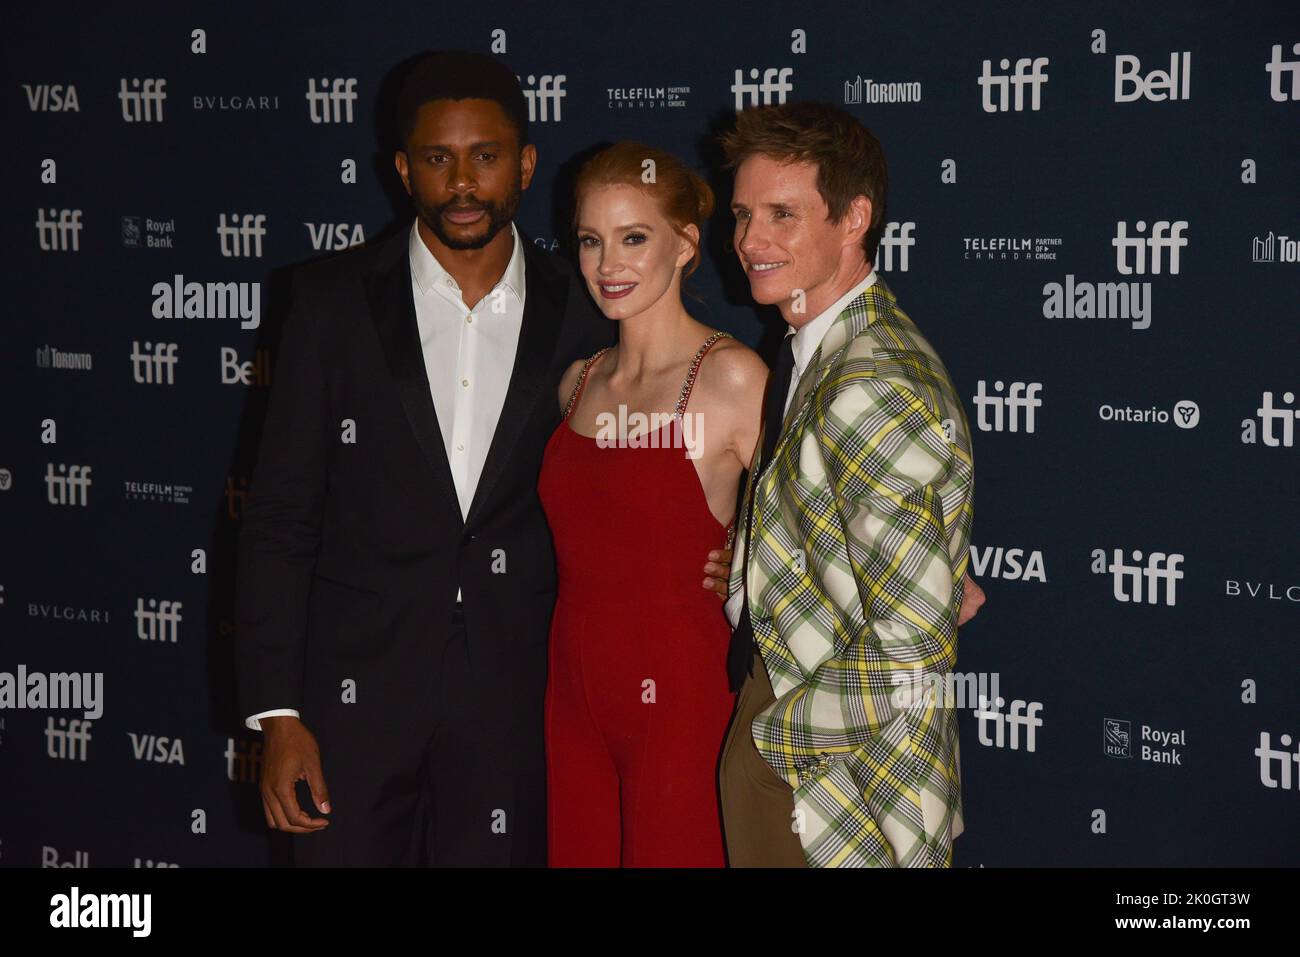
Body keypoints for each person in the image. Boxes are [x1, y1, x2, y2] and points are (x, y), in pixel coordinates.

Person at [234, 53, 713, 867]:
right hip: (352, 708)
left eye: (485, 157)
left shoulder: (591, 312)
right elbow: (278, 515)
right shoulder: (328, 303)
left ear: (524, 164)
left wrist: (738, 553)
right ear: (401, 169)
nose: (462, 182)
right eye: (437, 158)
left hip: (522, 706)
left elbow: (671, 462)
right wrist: (276, 716)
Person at [717, 101, 977, 867]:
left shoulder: (871, 379)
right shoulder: (822, 351)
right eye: (742, 214)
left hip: (838, 784)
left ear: (854, 217)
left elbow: (911, 645)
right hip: (809, 739)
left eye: (781, 215)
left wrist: (772, 745)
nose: (750, 241)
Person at [539, 142, 770, 866]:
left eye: (633, 237)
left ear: (685, 244)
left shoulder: (732, 378)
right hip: (572, 698)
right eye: (590, 240)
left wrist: (755, 559)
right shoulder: (577, 382)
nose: (609, 263)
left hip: (681, 701)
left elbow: (824, 516)